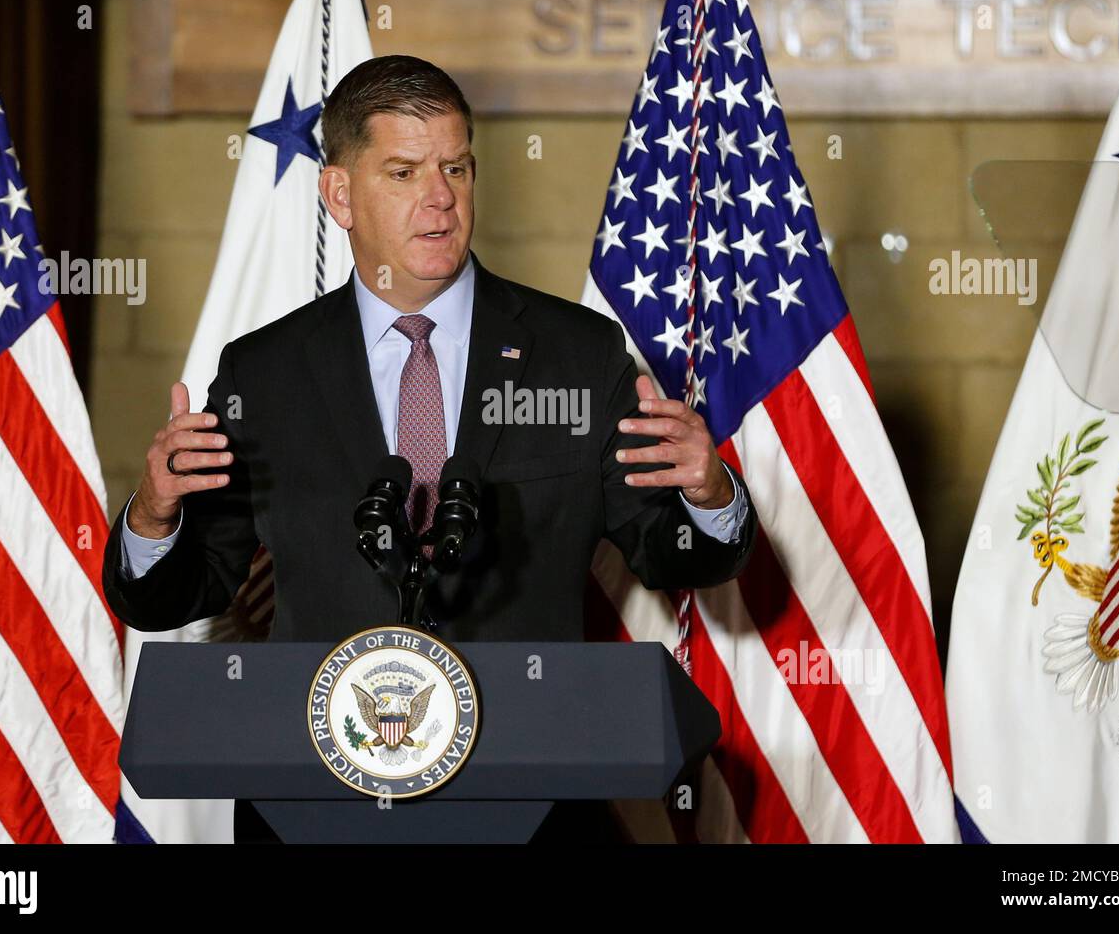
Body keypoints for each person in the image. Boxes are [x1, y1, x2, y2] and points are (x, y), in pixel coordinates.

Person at [101, 55, 756, 842]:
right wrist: (154, 514)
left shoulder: (575, 354)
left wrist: (708, 497)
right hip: (316, 803)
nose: (440, 199)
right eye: (405, 172)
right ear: (339, 194)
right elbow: (176, 593)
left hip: (534, 802)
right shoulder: (265, 373)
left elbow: (673, 557)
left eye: (456, 167)